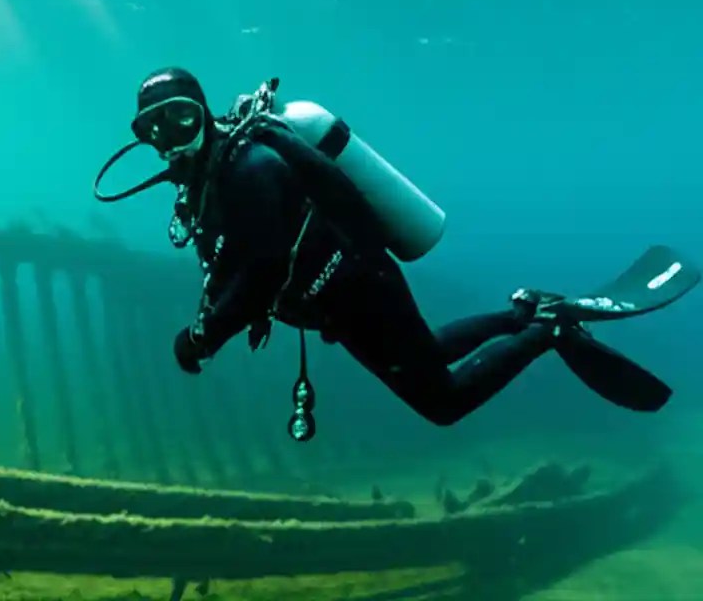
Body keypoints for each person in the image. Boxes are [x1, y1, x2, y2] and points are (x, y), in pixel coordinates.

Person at [92, 67, 697, 439]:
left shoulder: (249, 167)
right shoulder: (209, 182)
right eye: (155, 128)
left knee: (443, 402)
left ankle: (547, 328)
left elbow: (263, 270)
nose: (171, 139)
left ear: (204, 113)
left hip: (356, 284)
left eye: (181, 118)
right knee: (427, 352)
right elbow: (239, 261)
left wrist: (201, 340)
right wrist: (231, 314)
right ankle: (523, 311)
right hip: (336, 296)